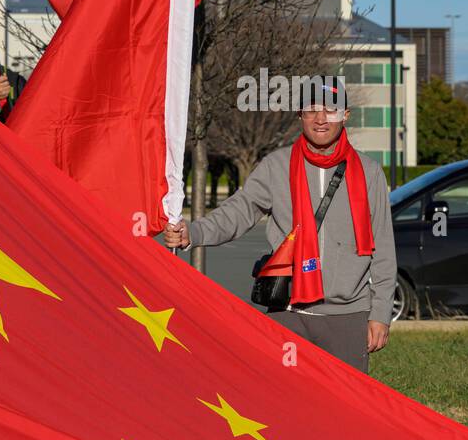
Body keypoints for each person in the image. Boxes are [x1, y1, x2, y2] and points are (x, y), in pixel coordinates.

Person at [164, 78, 396, 372]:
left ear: (345, 115)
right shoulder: (276, 165)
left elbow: (384, 250)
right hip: (287, 310)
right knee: (283, 409)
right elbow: (239, 211)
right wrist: (193, 233)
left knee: (342, 415)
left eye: (330, 109)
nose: (321, 118)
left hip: (348, 315)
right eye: (311, 109)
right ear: (299, 115)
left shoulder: (370, 173)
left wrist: (380, 313)